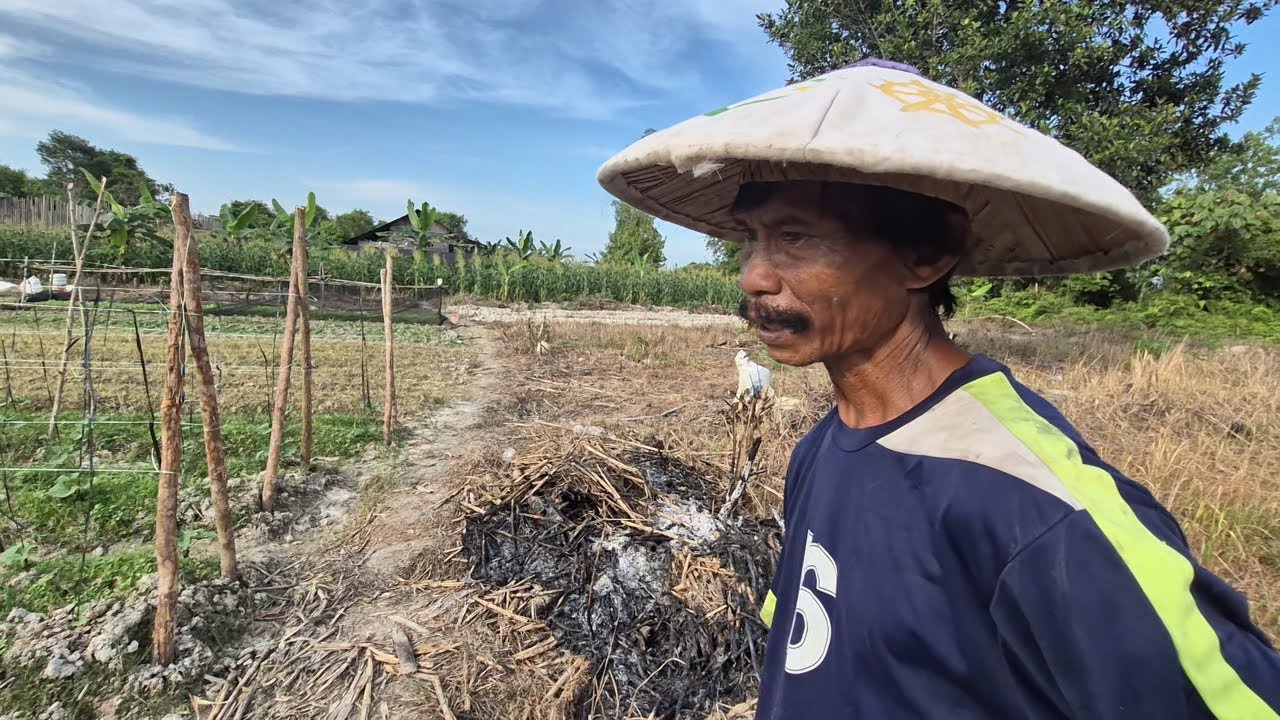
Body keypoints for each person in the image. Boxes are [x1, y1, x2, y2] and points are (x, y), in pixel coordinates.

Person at [596, 58, 1280, 718]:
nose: (754, 276)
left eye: (797, 237)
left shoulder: (1033, 503)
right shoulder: (821, 449)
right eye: (753, 239)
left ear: (925, 255)